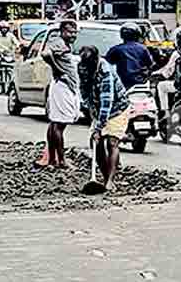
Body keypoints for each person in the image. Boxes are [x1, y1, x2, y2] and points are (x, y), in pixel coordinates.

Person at [78, 45, 130, 191]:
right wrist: (91, 111)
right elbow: (84, 91)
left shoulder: (105, 71)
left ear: (96, 60)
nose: (85, 67)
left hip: (117, 108)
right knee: (96, 143)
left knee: (112, 142)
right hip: (98, 107)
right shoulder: (82, 67)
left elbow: (107, 102)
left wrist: (98, 128)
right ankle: (105, 177)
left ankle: (110, 181)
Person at [40, 19, 81, 168]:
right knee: (59, 125)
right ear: (62, 31)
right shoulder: (59, 43)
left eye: (75, 32)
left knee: (54, 123)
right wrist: (57, 68)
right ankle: (62, 160)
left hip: (64, 86)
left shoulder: (65, 45)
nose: (73, 35)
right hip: (62, 87)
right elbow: (45, 54)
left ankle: (52, 159)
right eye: (70, 32)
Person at [105, 22, 155, 89]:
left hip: (123, 82)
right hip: (140, 82)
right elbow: (150, 64)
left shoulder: (116, 49)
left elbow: (107, 63)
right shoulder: (143, 48)